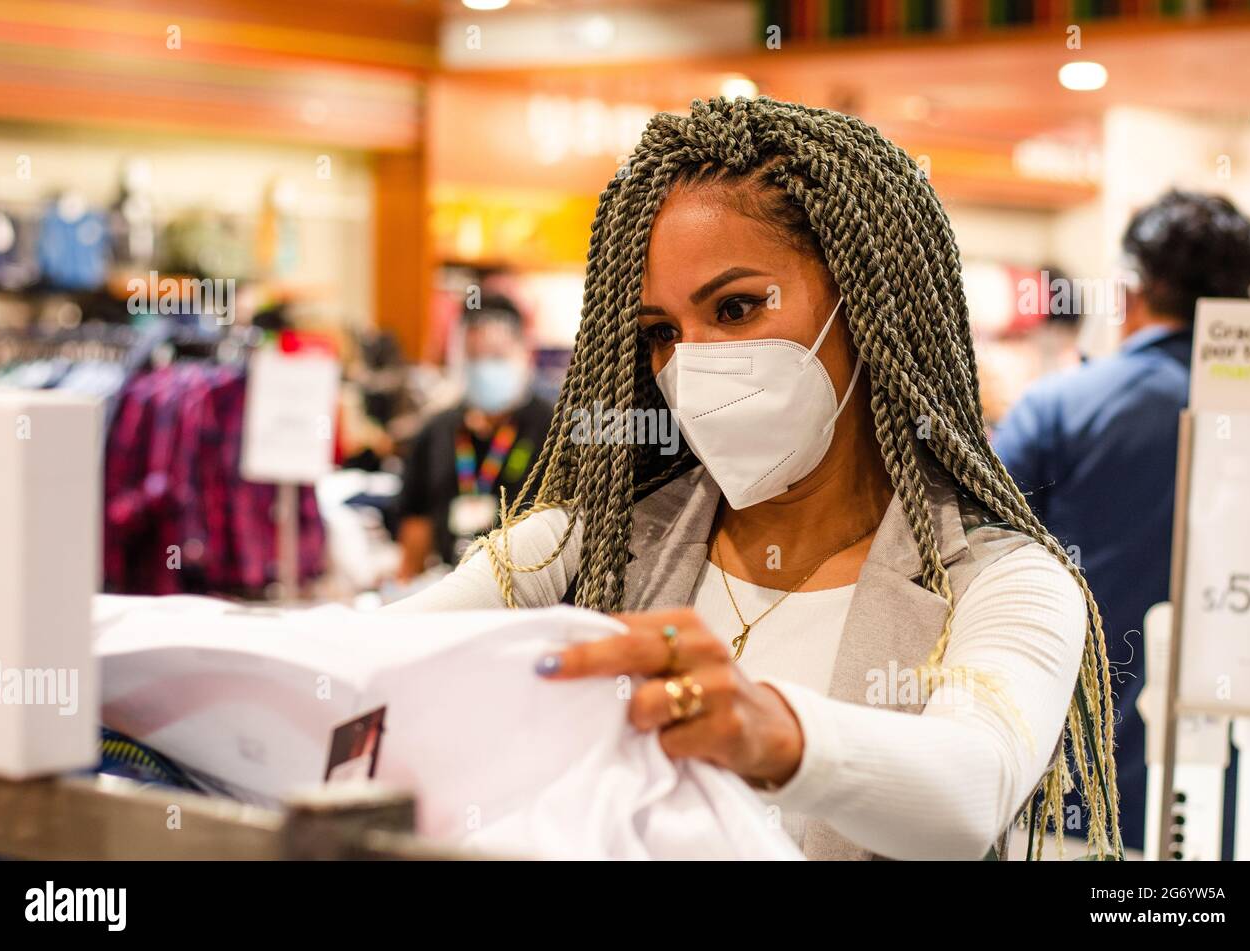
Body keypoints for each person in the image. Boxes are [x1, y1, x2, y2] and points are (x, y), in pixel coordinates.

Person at [386, 97, 1121, 861]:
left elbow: (973, 785)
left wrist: (775, 732)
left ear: (868, 304)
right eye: (662, 332)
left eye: (736, 308)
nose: (692, 362)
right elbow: (372, 660)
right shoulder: (589, 543)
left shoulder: (1003, 583)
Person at [993, 190, 1250, 853]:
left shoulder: (1062, 406)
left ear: (1133, 290)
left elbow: (974, 553)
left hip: (1067, 781)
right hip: (1224, 784)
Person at [396, 297, 553, 580]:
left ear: (524, 354)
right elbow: (415, 523)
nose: (484, 368)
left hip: (528, 593)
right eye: (474, 356)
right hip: (453, 586)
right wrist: (405, 593)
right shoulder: (437, 431)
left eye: (496, 357)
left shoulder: (554, 429)